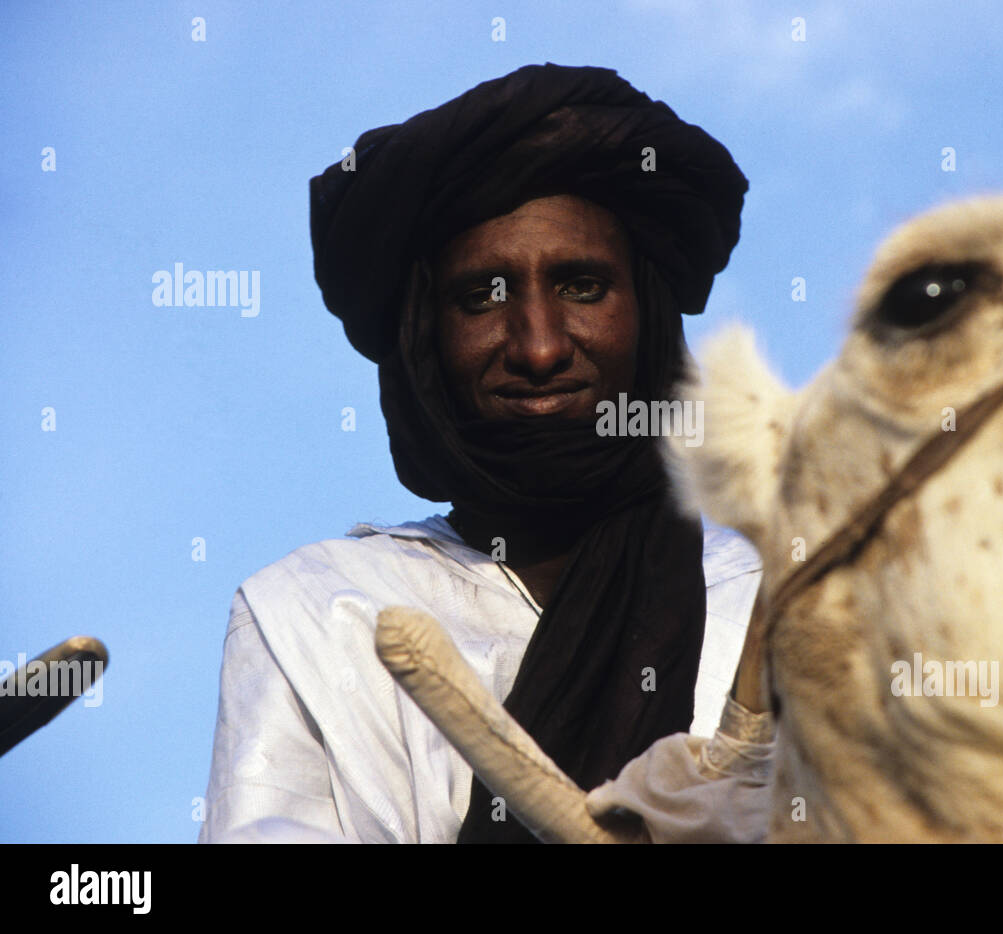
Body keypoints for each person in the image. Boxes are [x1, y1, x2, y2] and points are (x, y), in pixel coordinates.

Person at [198, 63, 772, 844]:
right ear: (423, 342)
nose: (538, 348)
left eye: (582, 287)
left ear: (648, 313)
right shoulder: (312, 614)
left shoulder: (775, 604)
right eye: (481, 298)